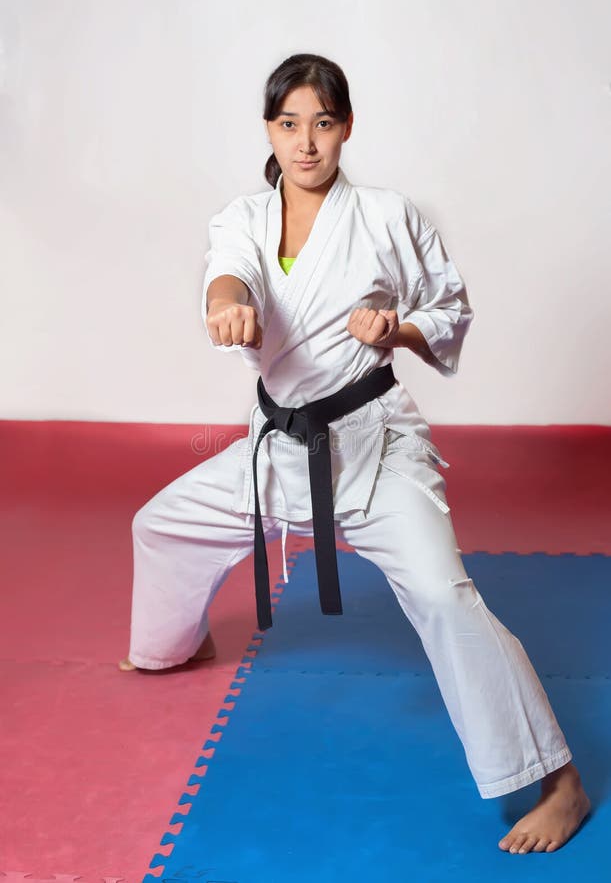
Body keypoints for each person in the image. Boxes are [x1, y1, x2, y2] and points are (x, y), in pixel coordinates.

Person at [119, 53, 590, 854]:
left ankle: (558, 782)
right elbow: (225, 278)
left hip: (372, 450)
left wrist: (394, 328)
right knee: (160, 524)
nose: (306, 143)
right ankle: (170, 645)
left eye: (323, 123)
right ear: (269, 128)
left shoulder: (385, 215)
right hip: (276, 447)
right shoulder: (242, 217)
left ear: (345, 127)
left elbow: (447, 305)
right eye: (289, 123)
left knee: (445, 600)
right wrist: (229, 308)